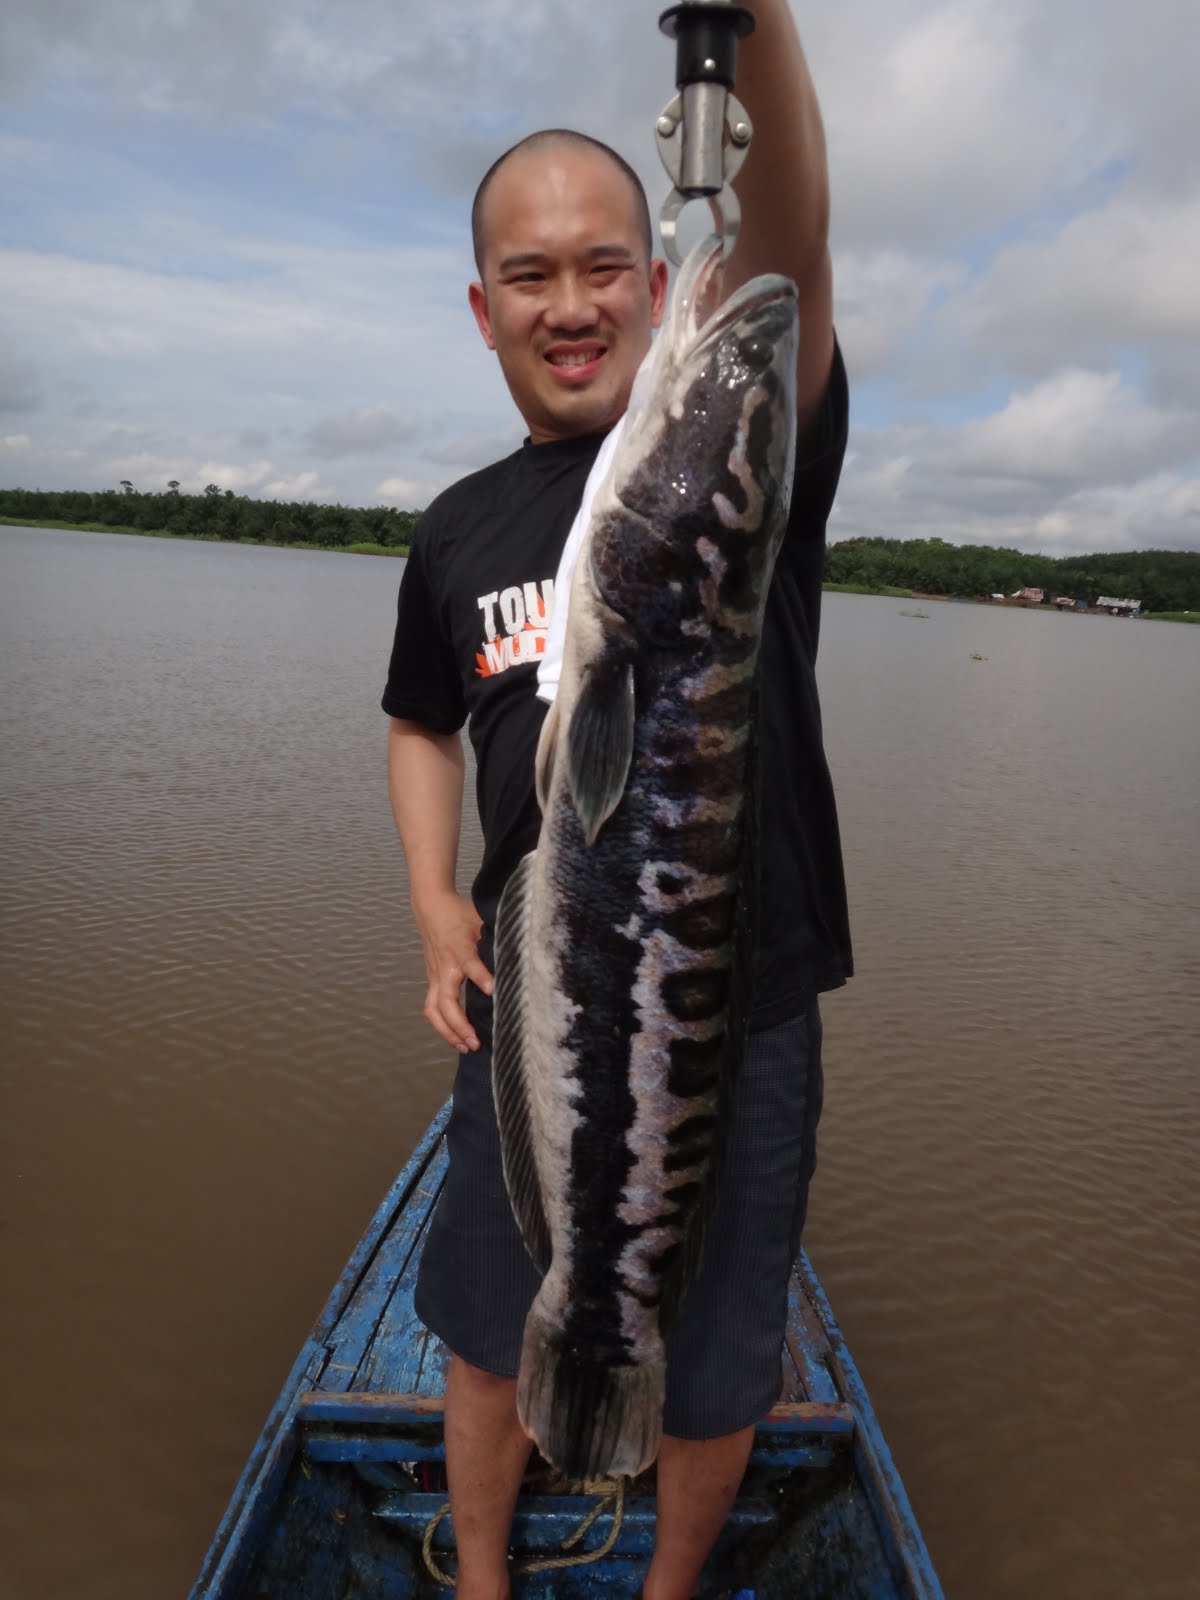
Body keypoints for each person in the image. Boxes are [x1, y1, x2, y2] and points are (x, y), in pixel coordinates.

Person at [382, 6, 850, 1595]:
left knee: (719, 1350)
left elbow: (786, 239)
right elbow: (418, 725)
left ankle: (665, 1591)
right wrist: (440, 903)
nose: (572, 303)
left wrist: (760, 19)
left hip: (749, 1002)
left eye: (606, 270)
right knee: (490, 1323)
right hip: (534, 1001)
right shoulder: (456, 530)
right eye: (532, 273)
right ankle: (492, 1575)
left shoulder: (739, 489)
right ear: (483, 306)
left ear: (660, 290)